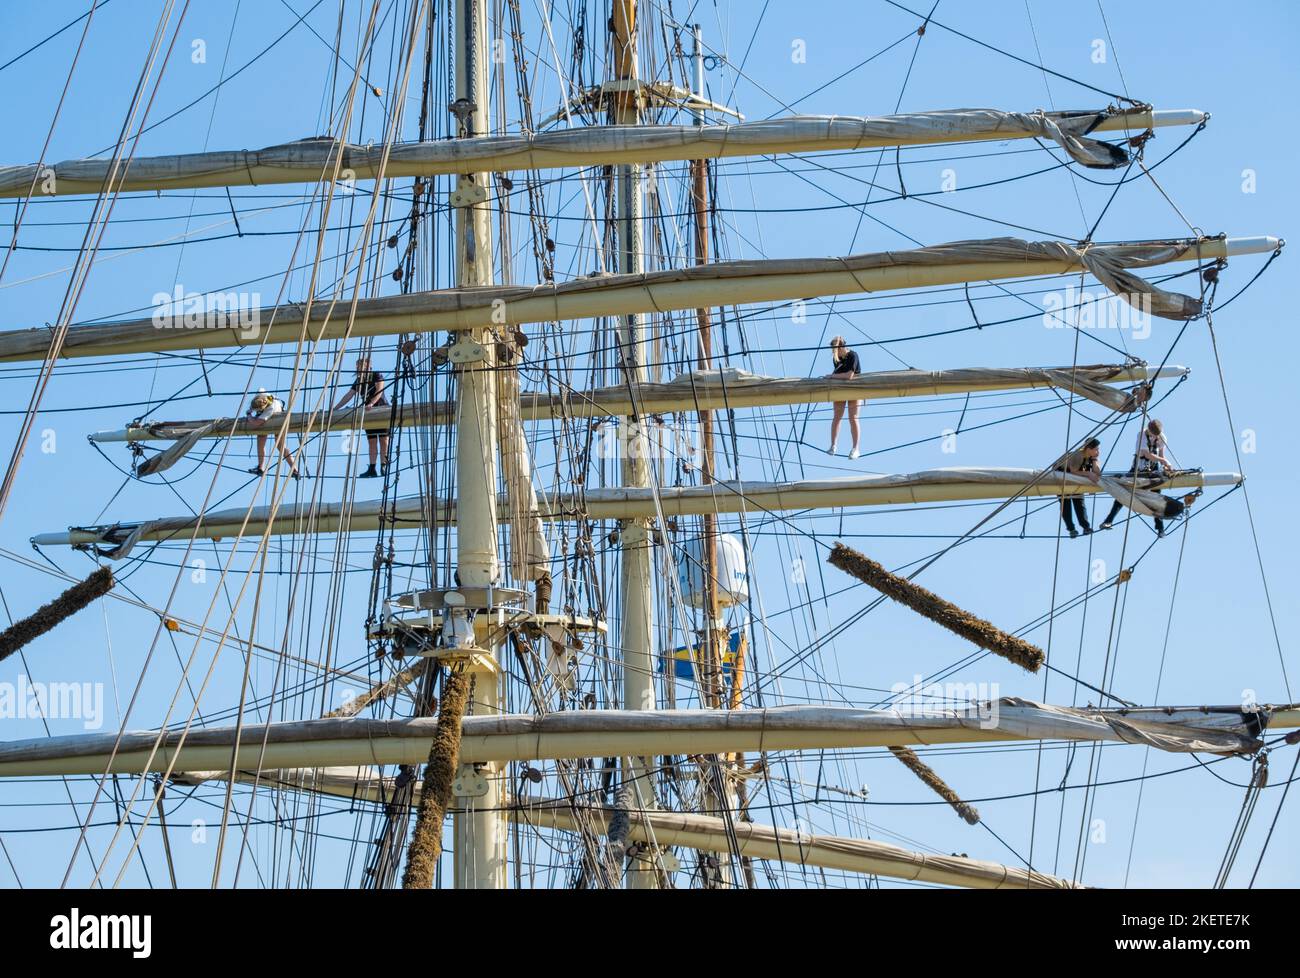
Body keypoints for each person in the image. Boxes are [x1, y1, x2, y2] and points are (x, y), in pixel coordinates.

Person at [1100, 418, 1175, 536]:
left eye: (1157, 435)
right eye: (1153, 434)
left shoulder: (1162, 438)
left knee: (1157, 498)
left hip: (1154, 470)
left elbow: (1161, 455)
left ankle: (1160, 528)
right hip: (1138, 469)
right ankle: (1108, 520)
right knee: (1123, 492)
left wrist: (1165, 466)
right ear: (1149, 430)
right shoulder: (1142, 435)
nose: (1155, 437)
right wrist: (1165, 461)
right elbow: (1146, 454)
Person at [332, 357, 391, 478]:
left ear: (368, 365)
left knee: (384, 439)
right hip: (368, 411)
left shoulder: (376, 375)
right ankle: (372, 468)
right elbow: (349, 395)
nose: (357, 369)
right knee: (372, 441)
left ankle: (384, 465)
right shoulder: (359, 380)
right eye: (357, 366)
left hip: (381, 408)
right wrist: (335, 408)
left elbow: (380, 390)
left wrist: (372, 403)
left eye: (359, 366)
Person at [245, 391, 299, 478]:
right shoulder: (262, 396)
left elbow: (256, 423)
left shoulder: (269, 410)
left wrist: (249, 415)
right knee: (272, 444)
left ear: (262, 409)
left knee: (279, 445)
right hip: (274, 416)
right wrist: (252, 409)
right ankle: (261, 467)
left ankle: (294, 469)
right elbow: (261, 390)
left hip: (278, 421)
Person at [1055, 437, 1101, 538]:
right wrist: (1089, 474)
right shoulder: (1078, 455)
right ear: (1089, 449)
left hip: (1075, 478)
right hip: (1062, 476)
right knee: (1066, 503)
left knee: (1079, 502)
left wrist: (1094, 460)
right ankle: (1071, 529)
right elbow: (1073, 471)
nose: (1098, 451)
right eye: (1096, 449)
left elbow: (1098, 473)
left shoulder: (1090, 457)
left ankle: (1086, 527)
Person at [825, 336, 861, 458]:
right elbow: (839, 374)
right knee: (837, 417)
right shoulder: (836, 359)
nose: (834, 353)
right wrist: (833, 377)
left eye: (835, 350)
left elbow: (849, 375)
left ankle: (856, 448)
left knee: (853, 417)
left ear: (842, 347)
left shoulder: (853, 355)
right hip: (840, 389)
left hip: (854, 388)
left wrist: (831, 376)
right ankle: (833, 445)